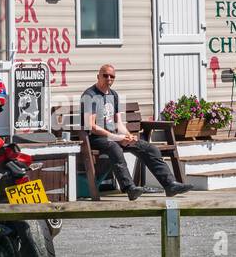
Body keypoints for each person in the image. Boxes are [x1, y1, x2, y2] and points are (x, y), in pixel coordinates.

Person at [81, 64, 193, 200]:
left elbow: (119, 123)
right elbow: (91, 126)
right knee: (115, 148)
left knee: (150, 148)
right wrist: (116, 137)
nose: (109, 78)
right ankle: (130, 188)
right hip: (96, 138)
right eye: (105, 75)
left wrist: (127, 136)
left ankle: (170, 185)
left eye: (112, 76)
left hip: (114, 135)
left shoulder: (113, 95)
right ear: (98, 76)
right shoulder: (90, 95)